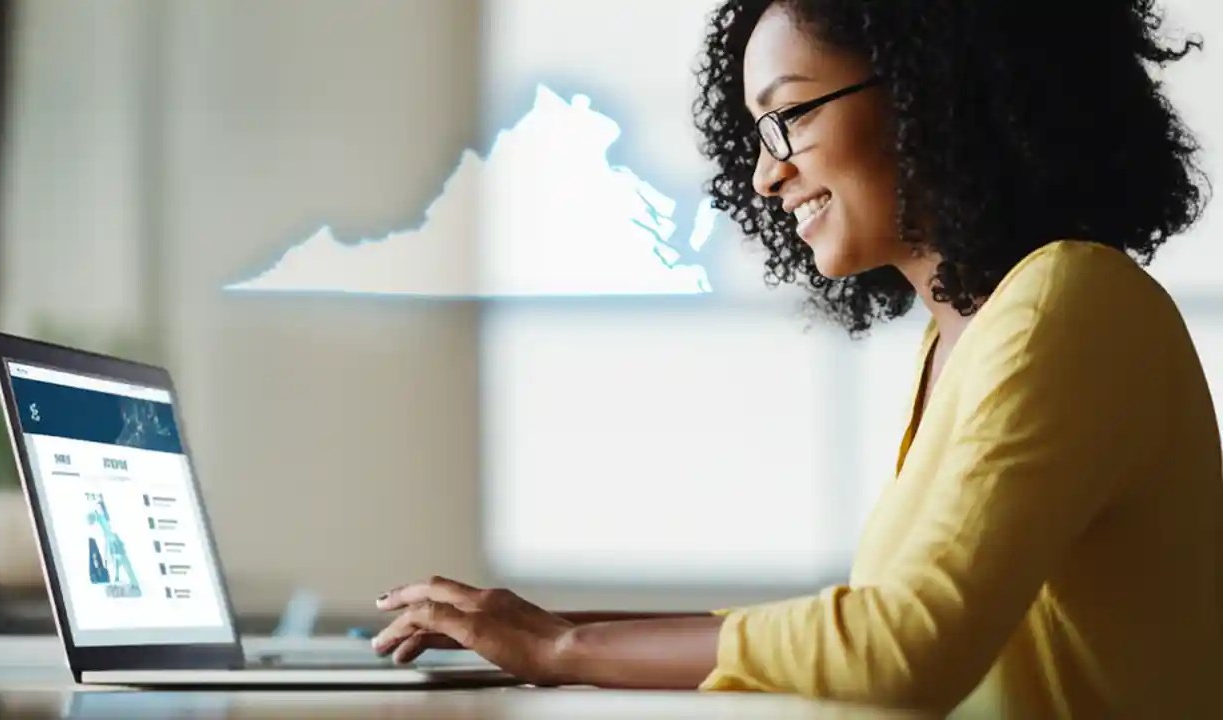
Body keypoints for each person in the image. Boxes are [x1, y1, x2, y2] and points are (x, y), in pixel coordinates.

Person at [370, 0, 1222, 715]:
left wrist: (564, 649)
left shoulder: (1068, 303)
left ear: (932, 89)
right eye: (757, 133)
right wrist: (548, 629)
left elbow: (902, 645)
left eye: (792, 116)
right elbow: (871, 624)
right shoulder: (967, 333)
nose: (765, 177)